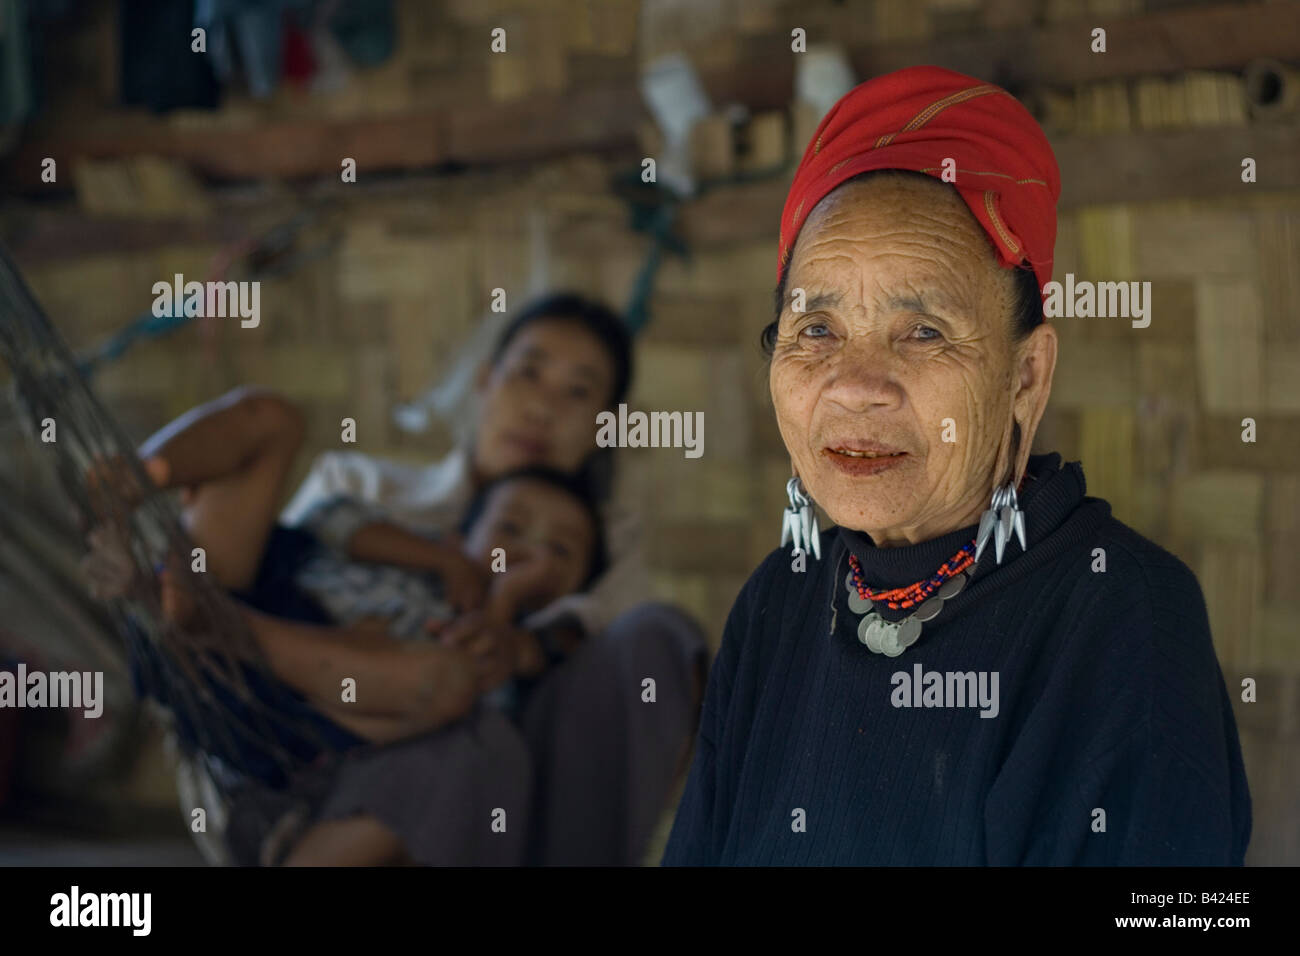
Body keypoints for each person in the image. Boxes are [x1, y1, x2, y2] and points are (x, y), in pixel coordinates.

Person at [662, 66, 1251, 866]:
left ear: (1025, 378)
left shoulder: (1122, 615)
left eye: (925, 332)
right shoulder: (779, 603)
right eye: (818, 330)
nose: (856, 387)